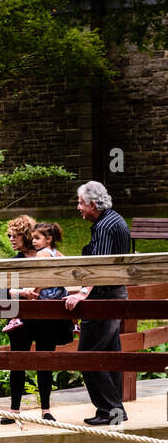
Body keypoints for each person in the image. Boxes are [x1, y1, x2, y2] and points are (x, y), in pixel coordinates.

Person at [66, 180, 130, 426]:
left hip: (103, 298)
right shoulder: (114, 220)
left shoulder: (105, 226)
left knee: (87, 357)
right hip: (116, 295)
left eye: (81, 202)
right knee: (109, 355)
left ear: (93, 204)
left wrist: (83, 292)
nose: (78, 207)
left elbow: (99, 266)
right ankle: (112, 411)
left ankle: (110, 409)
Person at [0, 221, 74, 424]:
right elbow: (1, 290)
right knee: (17, 363)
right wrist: (19, 292)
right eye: (9, 236)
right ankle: (14, 411)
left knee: (45, 362)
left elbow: (66, 275)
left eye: (15, 235)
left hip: (46, 319)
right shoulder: (14, 261)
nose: (11, 240)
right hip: (22, 319)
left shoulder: (48, 255)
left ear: (26, 235)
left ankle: (46, 410)